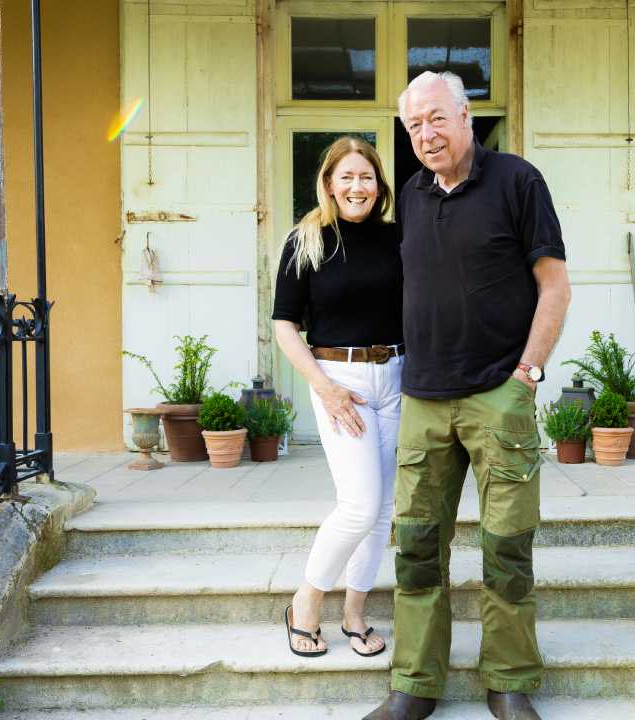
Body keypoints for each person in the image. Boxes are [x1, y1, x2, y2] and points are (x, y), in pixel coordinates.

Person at [365, 72, 571, 720]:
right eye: (414, 125)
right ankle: (414, 685)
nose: (426, 134)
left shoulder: (517, 181)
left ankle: (508, 681)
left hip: (497, 395)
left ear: (465, 117)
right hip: (424, 399)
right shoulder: (411, 196)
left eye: (436, 118)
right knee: (416, 547)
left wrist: (526, 377)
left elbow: (555, 286)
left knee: (506, 546)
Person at [272, 136, 403, 660]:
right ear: (328, 184)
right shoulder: (306, 240)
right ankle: (306, 602)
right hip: (339, 379)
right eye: (346, 177)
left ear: (379, 186)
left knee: (381, 510)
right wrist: (324, 389)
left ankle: (354, 613)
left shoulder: (398, 238)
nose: (357, 186)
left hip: (396, 375)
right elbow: (284, 325)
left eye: (366, 177)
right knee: (359, 505)